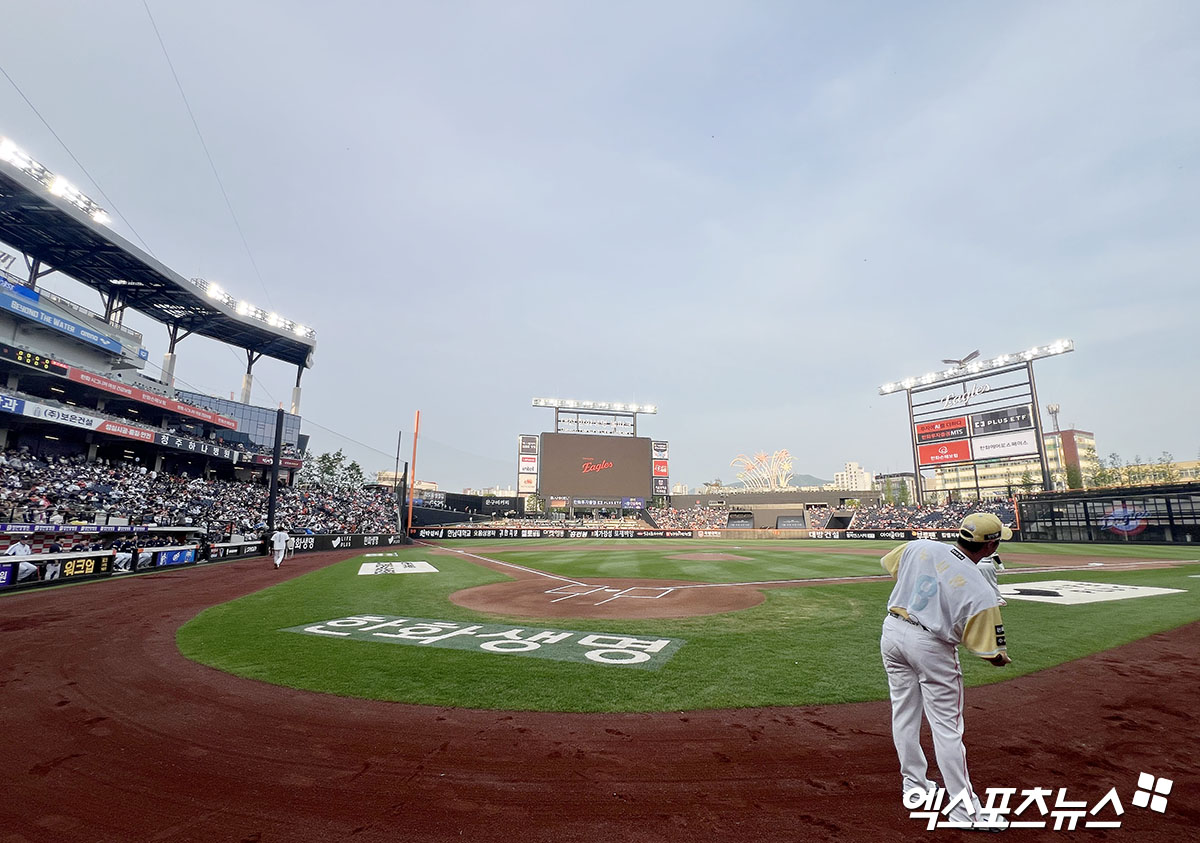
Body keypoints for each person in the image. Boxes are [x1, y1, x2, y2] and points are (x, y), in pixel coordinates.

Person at [879, 512, 1013, 832]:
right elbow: (990, 653)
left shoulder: (921, 546)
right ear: (991, 545)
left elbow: (892, 567)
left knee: (904, 714)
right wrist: (1000, 658)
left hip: (892, 632)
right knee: (947, 729)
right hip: (930, 647)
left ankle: (915, 786)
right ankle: (966, 813)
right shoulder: (980, 588)